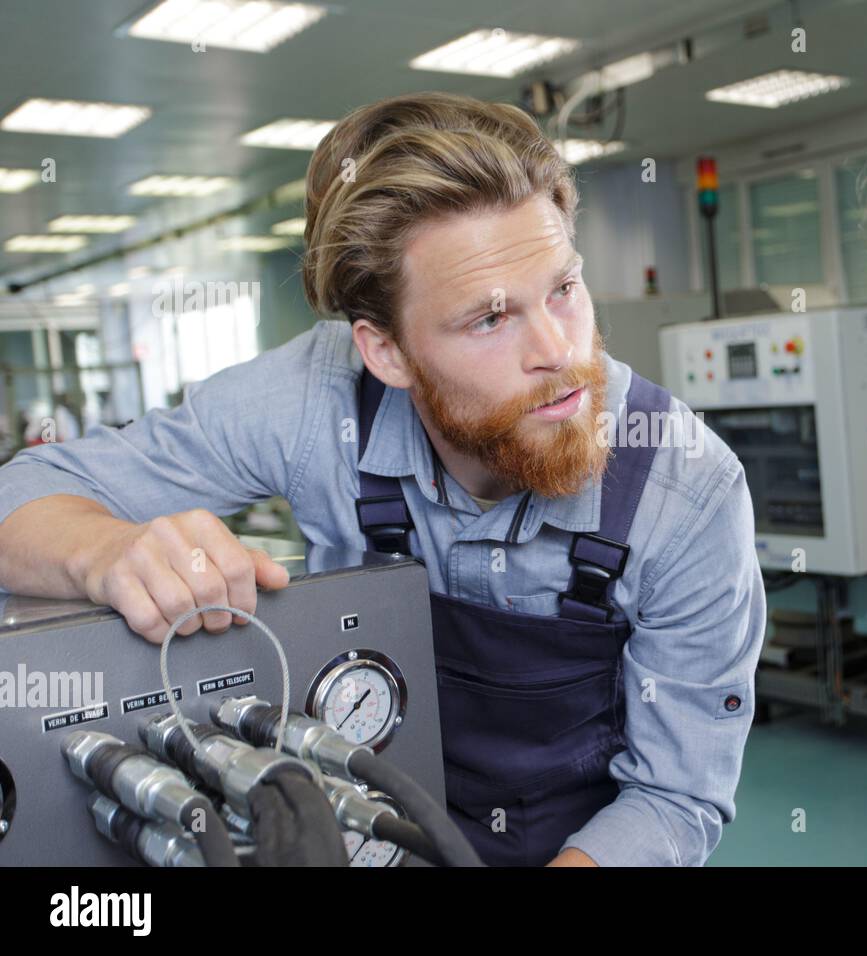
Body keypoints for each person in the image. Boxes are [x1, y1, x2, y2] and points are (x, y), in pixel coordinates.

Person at [0, 91, 765, 867]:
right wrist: (106, 552)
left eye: (564, 289)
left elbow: (676, 797)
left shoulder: (686, 490)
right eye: (490, 319)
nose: (560, 352)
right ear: (385, 352)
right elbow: (21, 495)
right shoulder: (311, 401)